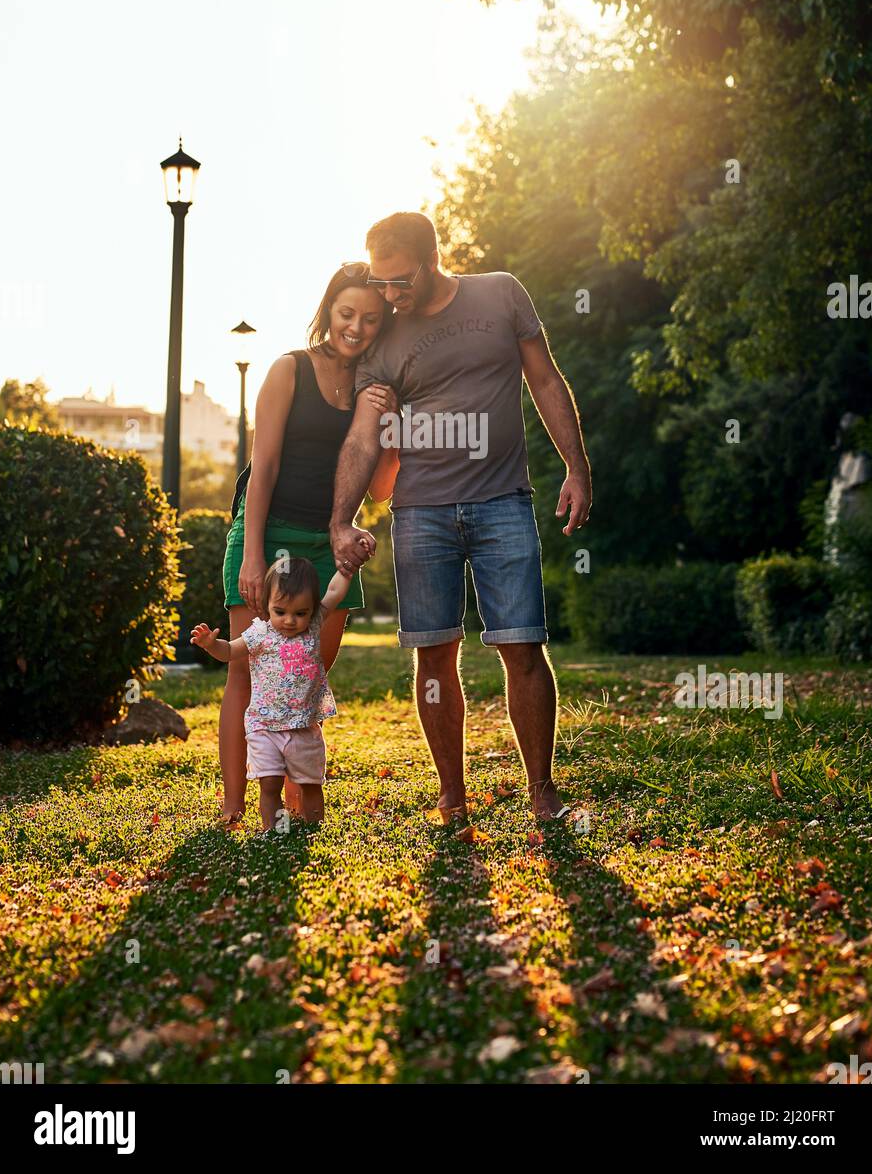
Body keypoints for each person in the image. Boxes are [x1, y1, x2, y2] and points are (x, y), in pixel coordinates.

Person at [329, 212, 592, 823]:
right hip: (420, 513)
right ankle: (452, 791)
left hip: (504, 501)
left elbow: (547, 381)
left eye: (398, 281)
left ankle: (542, 789)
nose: (388, 295)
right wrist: (343, 519)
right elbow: (364, 439)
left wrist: (577, 469)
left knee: (522, 645)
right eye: (379, 280)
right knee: (433, 653)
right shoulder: (383, 339)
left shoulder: (501, 293)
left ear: (431, 259)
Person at [218, 266, 399, 825]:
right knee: (246, 671)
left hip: (328, 544)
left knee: (306, 672)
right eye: (347, 313)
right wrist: (252, 554)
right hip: (267, 533)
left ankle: (298, 802)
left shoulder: (375, 389)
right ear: (329, 311)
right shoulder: (288, 369)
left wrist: (391, 424)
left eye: (370, 319)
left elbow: (382, 487)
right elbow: (264, 466)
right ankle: (234, 804)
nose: (356, 327)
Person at [191, 557, 356, 829]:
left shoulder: (314, 624)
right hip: (264, 726)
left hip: (304, 725)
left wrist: (346, 570)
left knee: (311, 785)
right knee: (269, 784)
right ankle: (274, 830)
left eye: (300, 613)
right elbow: (230, 651)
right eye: (280, 612)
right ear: (267, 605)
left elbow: (335, 593)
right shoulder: (259, 634)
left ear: (311, 610)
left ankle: (315, 828)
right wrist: (211, 644)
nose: (290, 620)